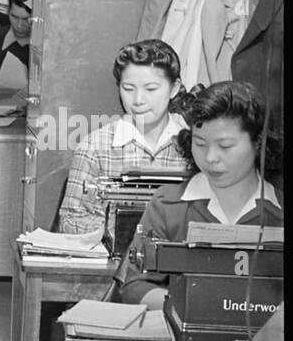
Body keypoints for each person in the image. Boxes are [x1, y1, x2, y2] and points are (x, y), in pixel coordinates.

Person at [120, 81, 282, 307]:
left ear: (259, 144)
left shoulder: (279, 211)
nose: (210, 158)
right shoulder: (168, 204)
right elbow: (135, 286)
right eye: (200, 143)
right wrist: (194, 305)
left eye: (225, 146)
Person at [57, 38, 191, 234]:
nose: (137, 100)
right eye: (128, 89)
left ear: (174, 88)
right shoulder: (95, 146)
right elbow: (69, 220)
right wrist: (119, 230)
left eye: (151, 89)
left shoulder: (194, 143)